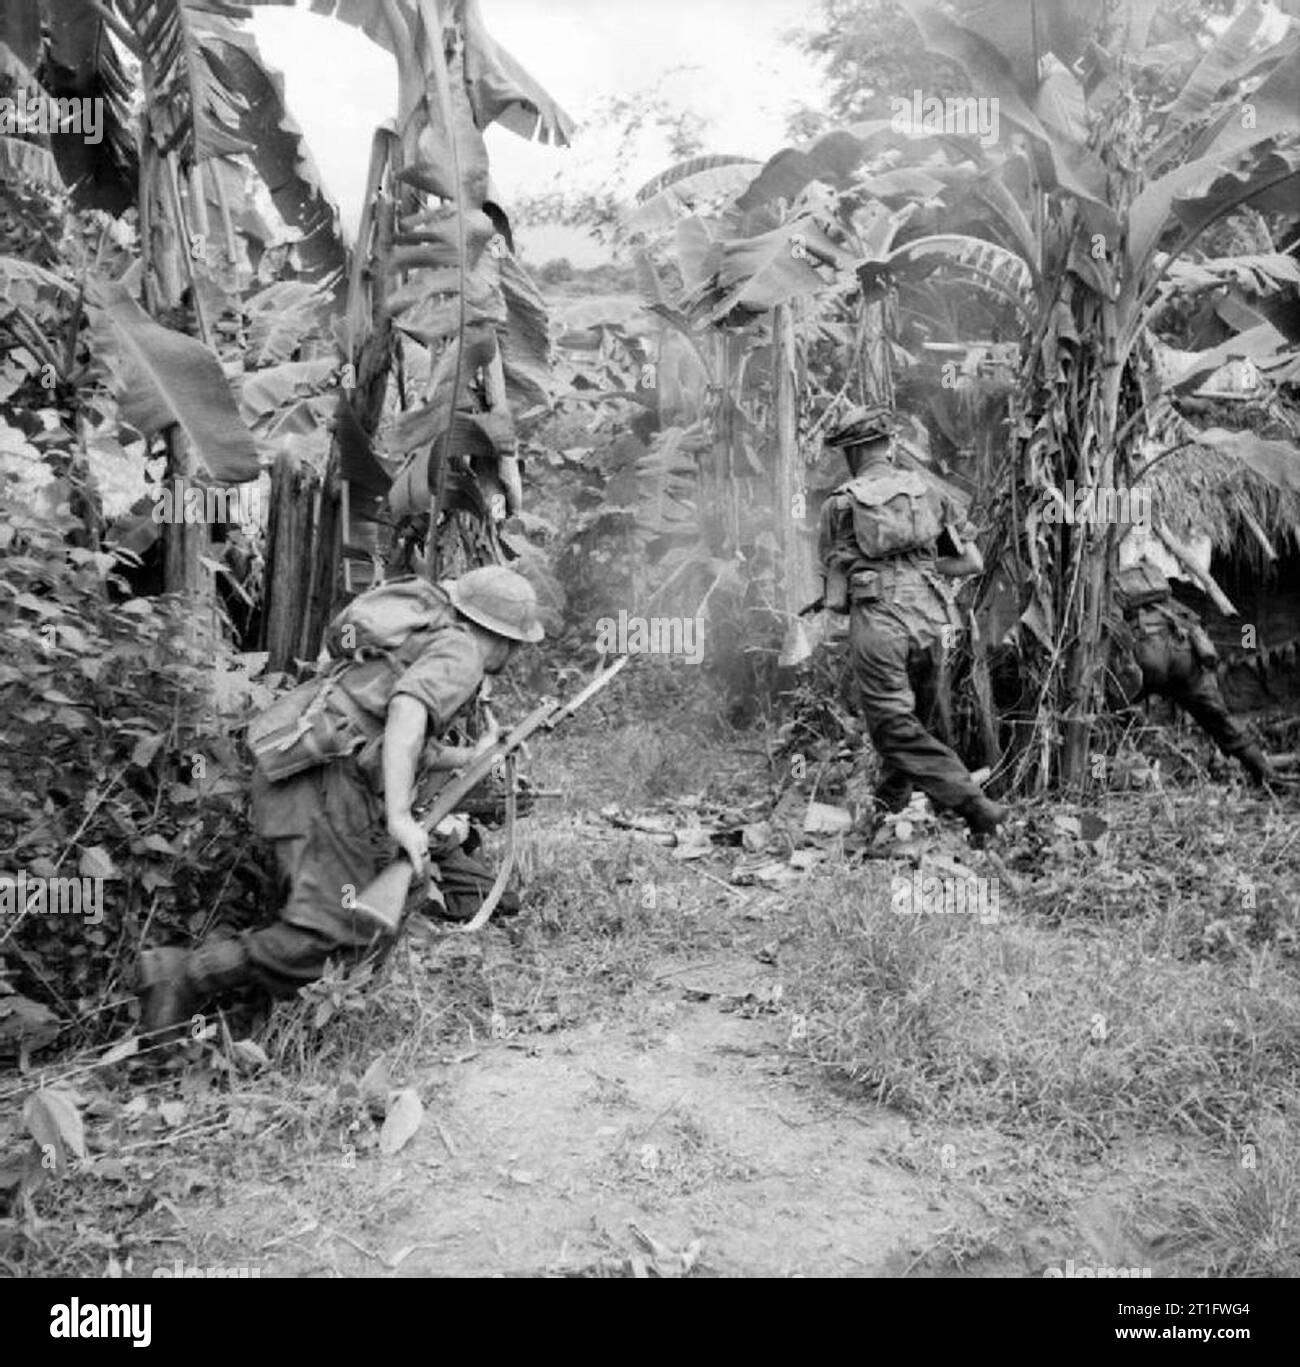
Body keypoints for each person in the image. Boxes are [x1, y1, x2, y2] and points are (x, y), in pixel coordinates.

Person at [135, 565, 544, 1036]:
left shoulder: (422, 640)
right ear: (501, 636)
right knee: (331, 927)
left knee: (393, 892)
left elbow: (394, 735)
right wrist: (398, 818)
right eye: (516, 643)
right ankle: (185, 976)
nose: (513, 655)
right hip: (324, 786)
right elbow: (407, 713)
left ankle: (306, 1017)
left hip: (315, 778)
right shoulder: (462, 651)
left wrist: (474, 756)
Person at [816, 403, 1007, 836]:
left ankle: (973, 804)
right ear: (890, 445)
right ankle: (888, 814)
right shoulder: (930, 492)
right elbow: (972, 562)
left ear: (852, 453)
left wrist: (870, 579)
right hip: (934, 621)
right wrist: (919, 571)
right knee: (921, 723)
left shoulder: (839, 506)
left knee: (892, 727)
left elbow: (836, 601)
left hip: (880, 625)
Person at [1110, 561, 1280, 786]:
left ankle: (1097, 779)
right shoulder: (1171, 605)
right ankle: (1267, 776)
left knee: (1105, 718)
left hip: (1145, 658)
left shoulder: (1114, 605)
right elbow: (1200, 638)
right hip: (1184, 656)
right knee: (1221, 720)